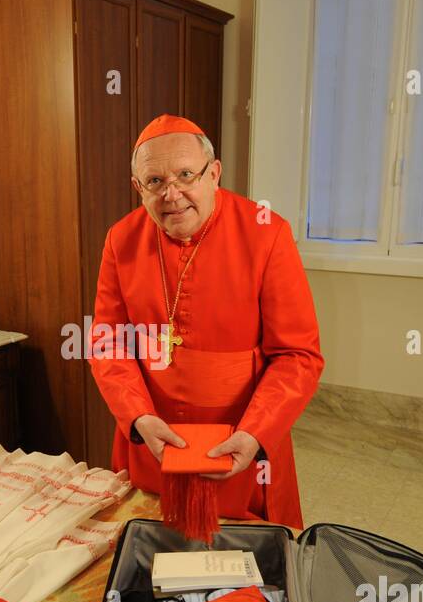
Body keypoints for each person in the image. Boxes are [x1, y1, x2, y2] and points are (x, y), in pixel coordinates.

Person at [88, 114, 324, 529]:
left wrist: (254, 433)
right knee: (150, 558)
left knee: (245, 576)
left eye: (185, 175)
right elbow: (109, 343)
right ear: (137, 188)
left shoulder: (267, 234)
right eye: (155, 182)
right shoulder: (121, 239)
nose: (172, 195)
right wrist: (138, 418)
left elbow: (298, 356)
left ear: (213, 173)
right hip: (152, 441)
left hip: (240, 440)